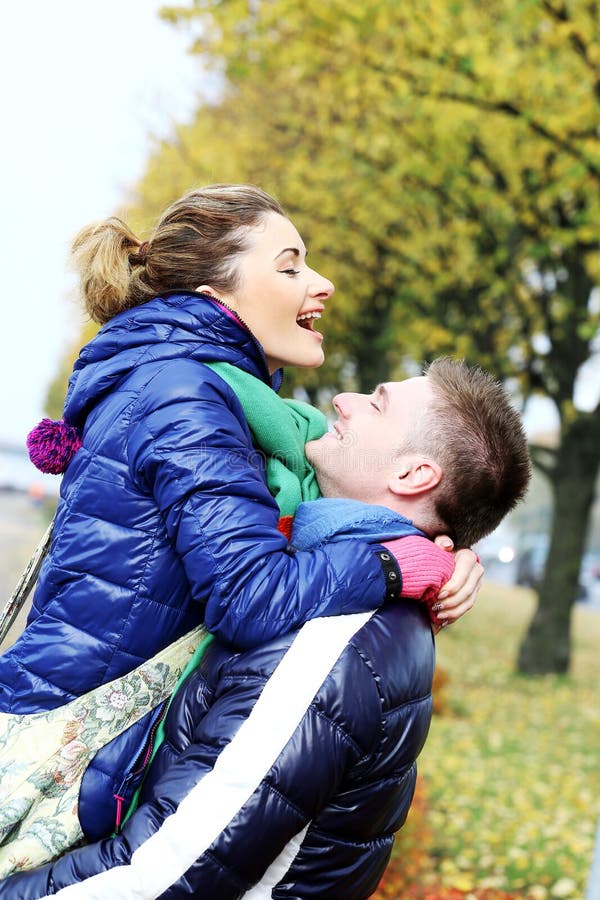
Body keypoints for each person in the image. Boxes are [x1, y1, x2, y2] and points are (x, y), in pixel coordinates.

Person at [0, 186, 480, 841]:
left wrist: (444, 548)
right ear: (215, 295)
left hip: (89, 738)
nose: (323, 282)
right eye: (289, 266)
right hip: (72, 754)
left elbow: (341, 491)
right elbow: (253, 595)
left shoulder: (224, 398)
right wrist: (400, 561)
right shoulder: (183, 396)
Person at [0, 359, 531, 898]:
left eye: (376, 402)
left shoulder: (330, 641)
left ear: (414, 475)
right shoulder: (333, 582)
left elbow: (157, 875)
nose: (343, 401)